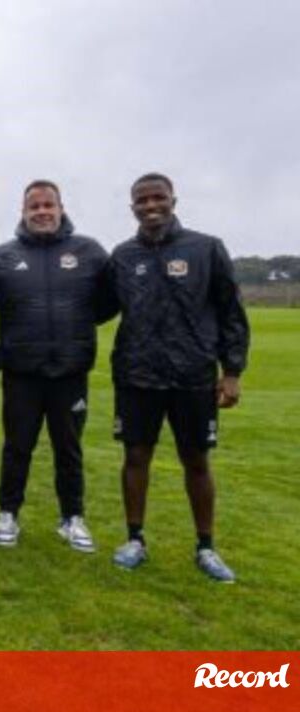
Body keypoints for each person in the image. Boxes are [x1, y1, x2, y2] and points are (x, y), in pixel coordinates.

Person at [106, 173, 249, 582]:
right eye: (142, 200)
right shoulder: (123, 256)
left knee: (197, 460)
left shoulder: (206, 248)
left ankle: (206, 547)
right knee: (136, 457)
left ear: (173, 200)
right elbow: (99, 306)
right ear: (132, 207)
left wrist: (232, 371)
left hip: (193, 375)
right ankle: (135, 540)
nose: (151, 206)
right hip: (137, 374)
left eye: (159, 198)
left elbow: (231, 312)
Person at [0, 180, 114, 551]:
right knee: (17, 447)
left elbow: (109, 303)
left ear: (61, 208)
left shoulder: (89, 252)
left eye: (48, 205)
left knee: (68, 449)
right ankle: (8, 514)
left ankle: (72, 518)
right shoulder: (3, 257)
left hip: (70, 373)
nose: (42, 212)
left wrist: (76, 329)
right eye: (34, 206)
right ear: (23, 211)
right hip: (21, 374)